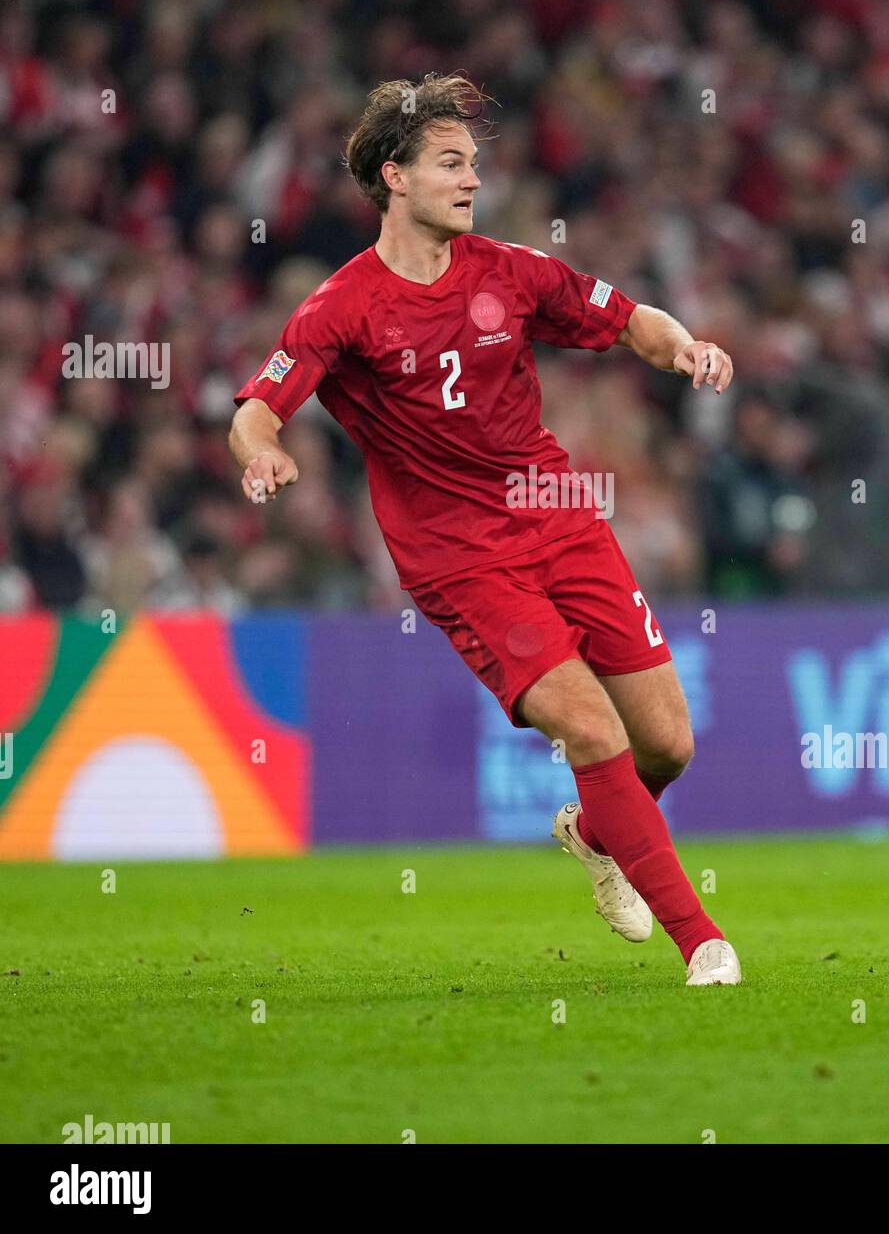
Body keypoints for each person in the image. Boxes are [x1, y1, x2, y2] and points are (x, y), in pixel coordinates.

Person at [229, 74, 740, 985]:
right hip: (459, 559)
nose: (472, 180)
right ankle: (703, 942)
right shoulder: (340, 306)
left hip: (560, 520)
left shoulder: (511, 271)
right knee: (590, 728)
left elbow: (629, 320)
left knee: (667, 744)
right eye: (451, 164)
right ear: (395, 176)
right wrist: (263, 452)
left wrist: (687, 347)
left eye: (474, 164)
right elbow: (259, 407)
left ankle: (596, 831)